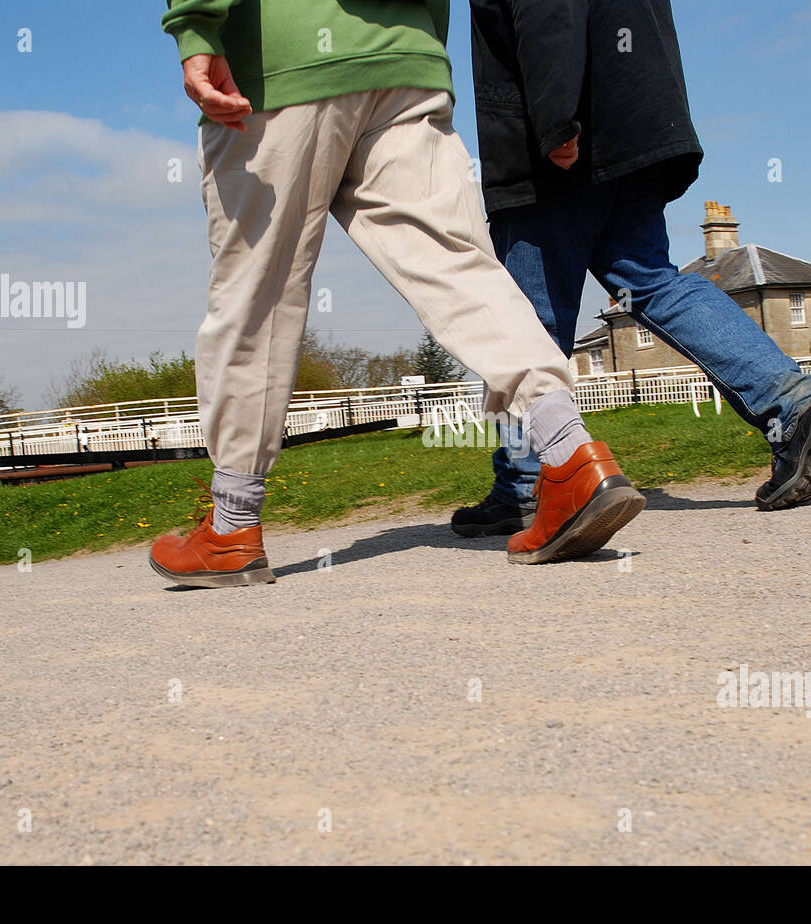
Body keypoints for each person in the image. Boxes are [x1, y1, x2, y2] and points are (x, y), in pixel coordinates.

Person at [150, 0, 646, 587]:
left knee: (256, 297)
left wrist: (196, 25)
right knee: (456, 266)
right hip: (405, 62)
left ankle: (231, 527)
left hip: (277, 65)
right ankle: (569, 454)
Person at [452, 0, 811, 539]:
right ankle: (793, 404)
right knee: (652, 280)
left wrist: (555, 118)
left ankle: (534, 479)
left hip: (561, 144)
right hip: (634, 130)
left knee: (528, 319)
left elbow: (549, 9)